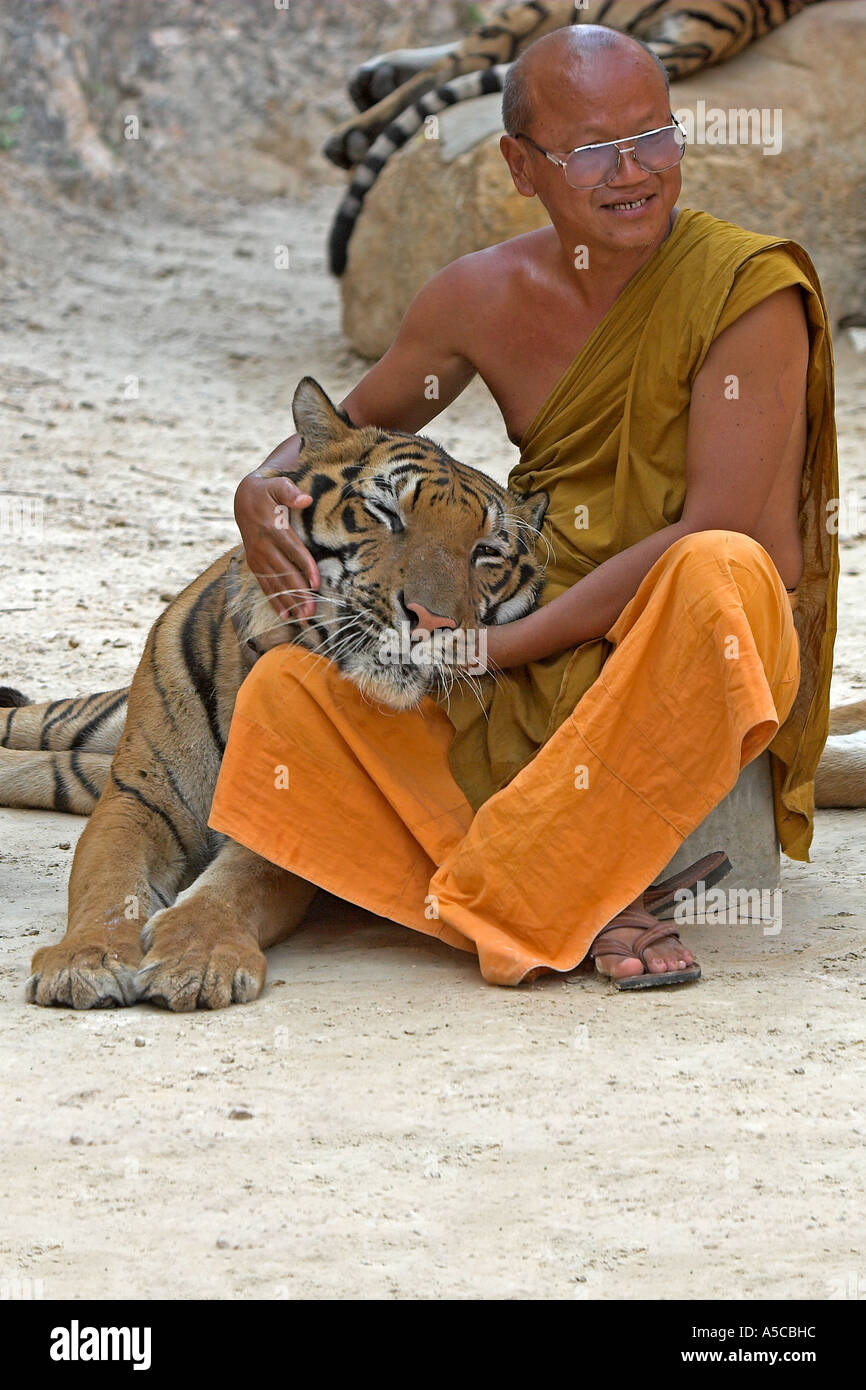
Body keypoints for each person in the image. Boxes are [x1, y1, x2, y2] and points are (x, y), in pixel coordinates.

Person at [208, 25, 838, 989]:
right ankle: (557, 886)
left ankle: (531, 890)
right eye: (590, 149)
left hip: (675, 645)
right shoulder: (480, 298)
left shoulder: (748, 292)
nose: (632, 171)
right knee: (287, 697)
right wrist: (259, 488)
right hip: (534, 632)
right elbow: (351, 425)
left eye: (654, 136)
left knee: (720, 570)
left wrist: (495, 648)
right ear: (520, 165)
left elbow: (723, 524)